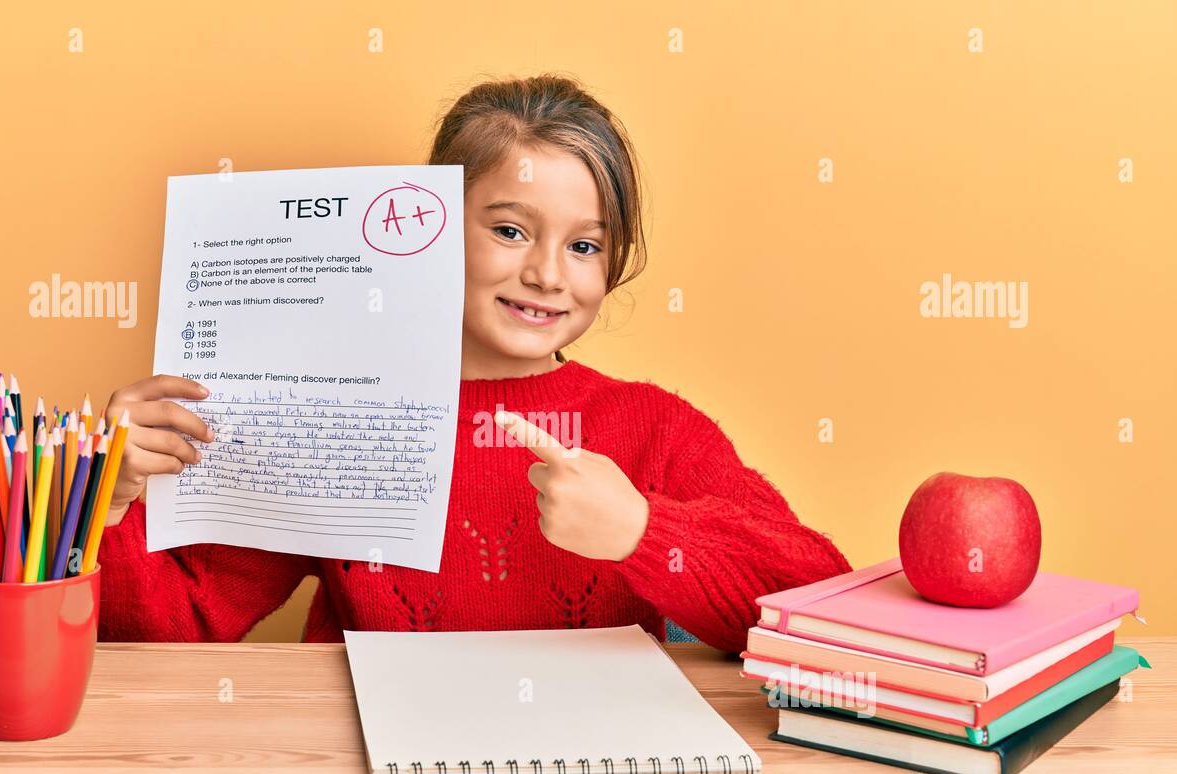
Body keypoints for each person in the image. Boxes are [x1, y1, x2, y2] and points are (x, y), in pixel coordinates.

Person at [95, 73, 851, 653]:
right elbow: (167, 629)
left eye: (583, 245)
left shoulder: (652, 426)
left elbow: (817, 607)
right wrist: (114, 496)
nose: (550, 275)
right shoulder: (337, 418)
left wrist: (642, 532)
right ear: (432, 228)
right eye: (511, 231)